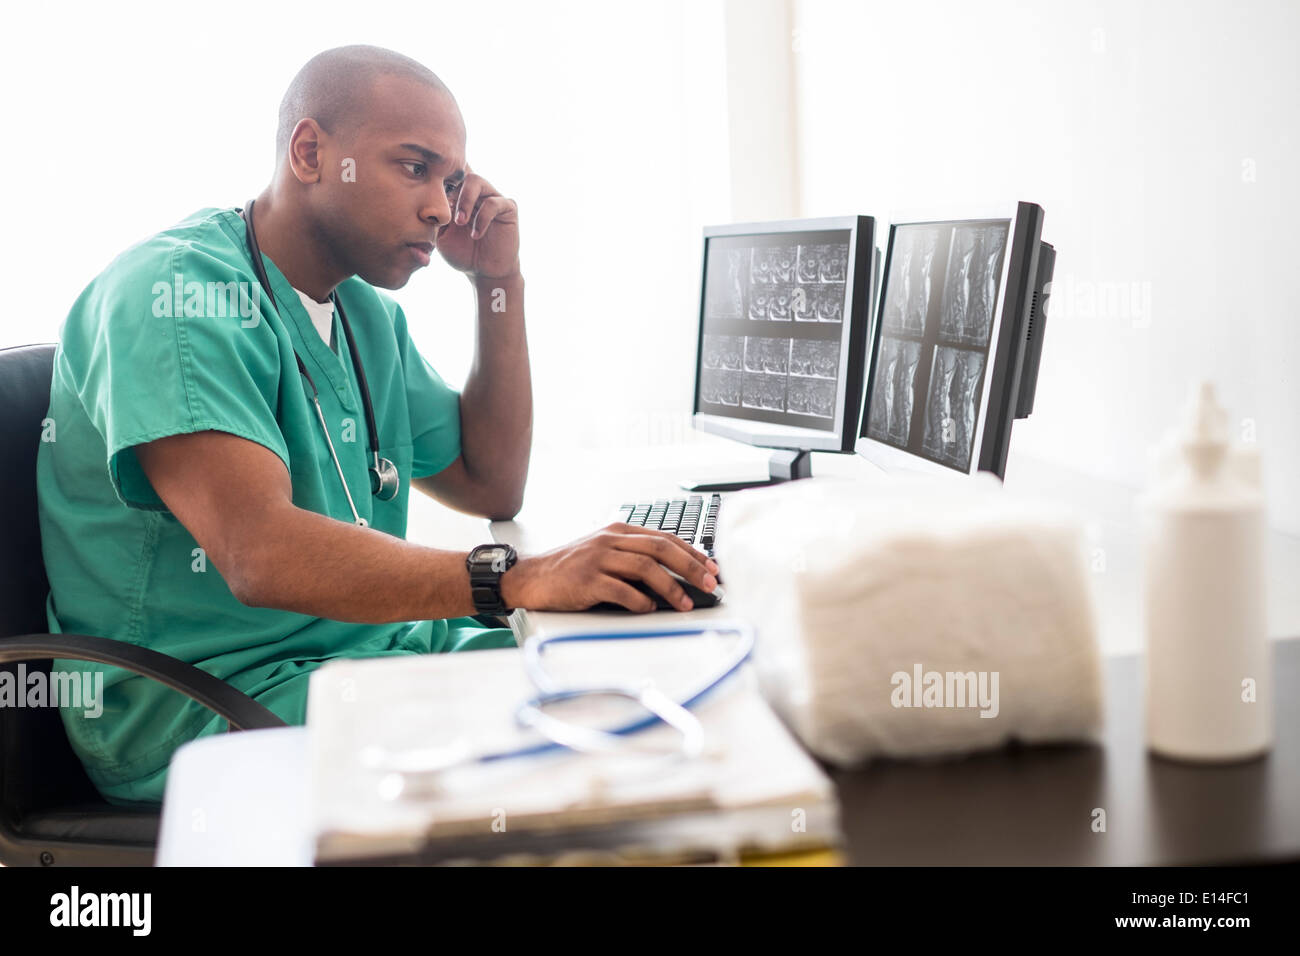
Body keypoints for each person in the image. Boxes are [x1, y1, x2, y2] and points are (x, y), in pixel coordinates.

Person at [36, 44, 720, 806]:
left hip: (359, 652)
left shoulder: (366, 317)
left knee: (652, 665)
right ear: (309, 153)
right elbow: (257, 553)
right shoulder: (175, 295)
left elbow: (490, 480)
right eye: (414, 166)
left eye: (452, 181)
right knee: (601, 745)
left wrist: (498, 283)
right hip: (206, 705)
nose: (440, 204)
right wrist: (518, 577)